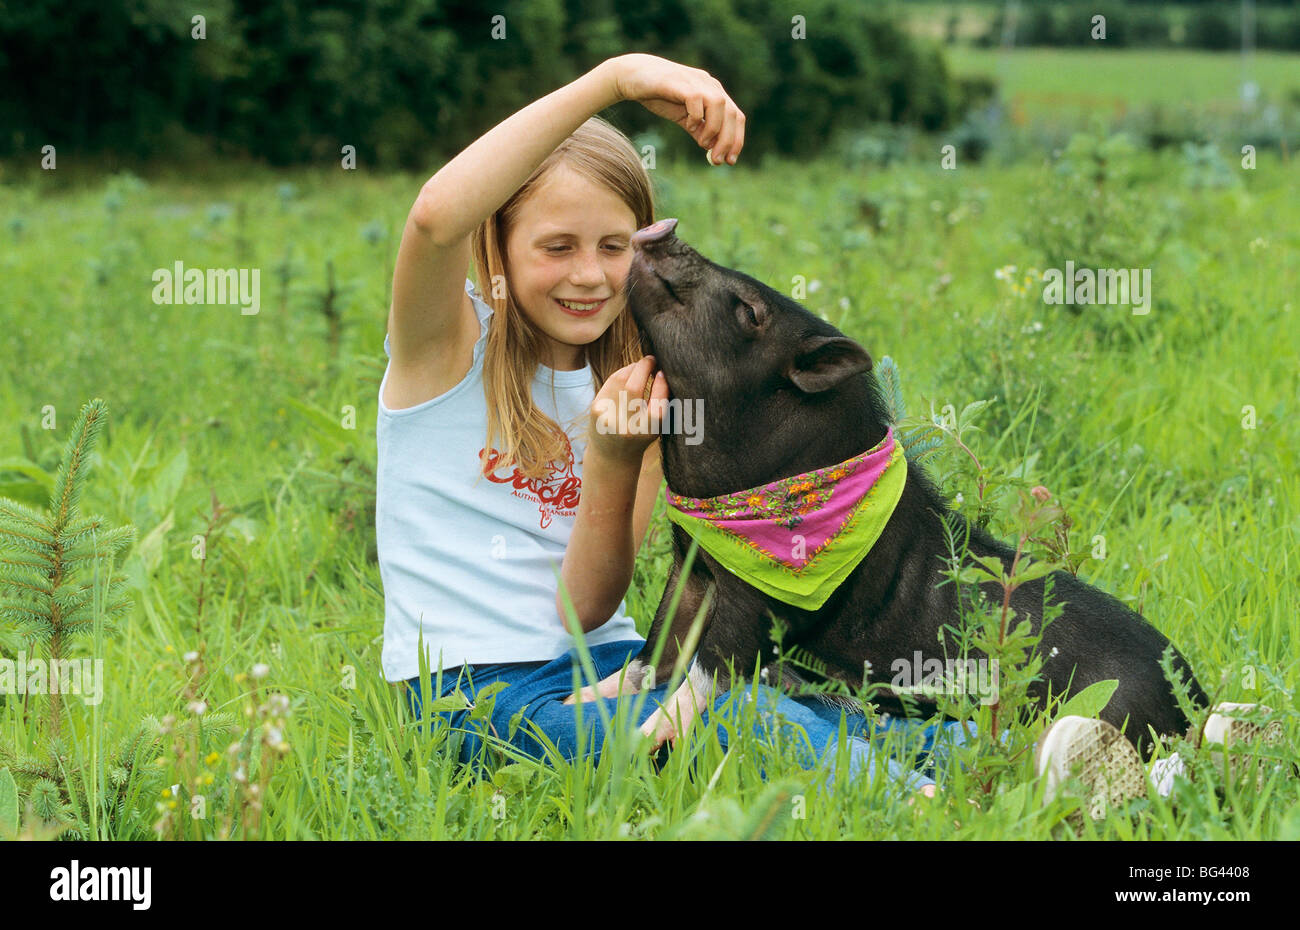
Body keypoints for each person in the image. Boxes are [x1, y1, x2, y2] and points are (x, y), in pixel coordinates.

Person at [375, 52, 1281, 811]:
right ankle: (937, 804)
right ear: (497, 246)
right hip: (471, 697)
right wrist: (612, 81)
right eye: (556, 247)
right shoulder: (443, 349)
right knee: (744, 721)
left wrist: (620, 456)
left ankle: (1159, 764)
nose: (590, 275)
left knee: (830, 710)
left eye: (614, 246)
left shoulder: (644, 390)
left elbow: (589, 614)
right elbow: (434, 216)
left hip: (606, 663)